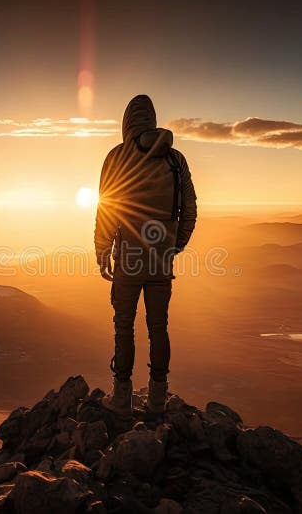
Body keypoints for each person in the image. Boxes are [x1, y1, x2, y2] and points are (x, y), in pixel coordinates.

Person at [94, 94, 197, 415]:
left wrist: (102, 250)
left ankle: (122, 398)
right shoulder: (175, 159)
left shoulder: (117, 156)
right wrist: (175, 245)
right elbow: (189, 209)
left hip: (128, 259)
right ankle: (156, 399)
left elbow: (107, 209)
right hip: (161, 259)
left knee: (124, 325)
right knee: (159, 326)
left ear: (127, 124)